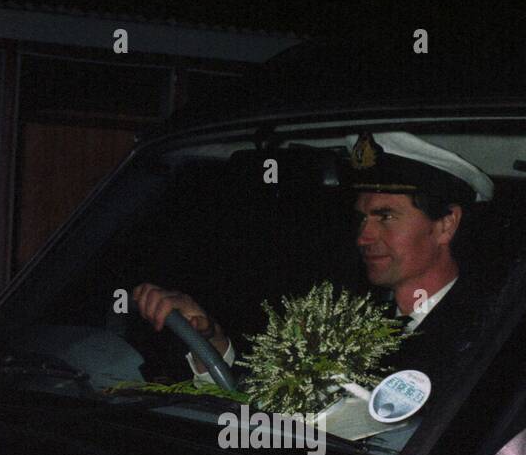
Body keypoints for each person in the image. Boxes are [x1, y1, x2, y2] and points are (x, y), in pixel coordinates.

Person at [133, 131, 494, 399]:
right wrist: (208, 339)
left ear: (446, 224)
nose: (363, 237)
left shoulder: (486, 334)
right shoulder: (342, 309)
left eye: (385, 217)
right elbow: (267, 409)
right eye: (362, 218)